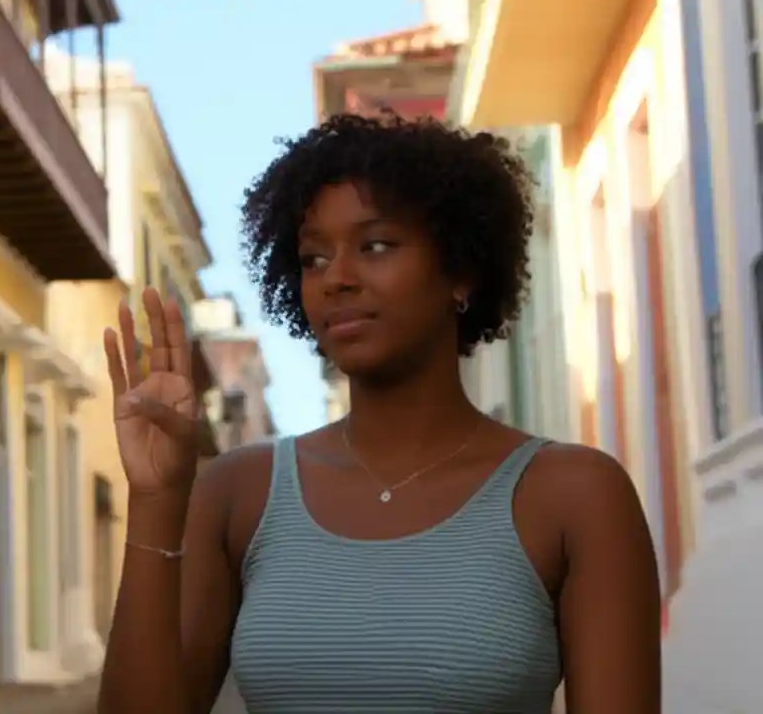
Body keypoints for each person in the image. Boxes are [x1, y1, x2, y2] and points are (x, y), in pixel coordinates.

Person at [99, 113, 662, 713]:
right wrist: (157, 503)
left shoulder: (576, 495)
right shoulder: (239, 494)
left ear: (461, 271)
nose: (336, 279)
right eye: (313, 258)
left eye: (376, 246)